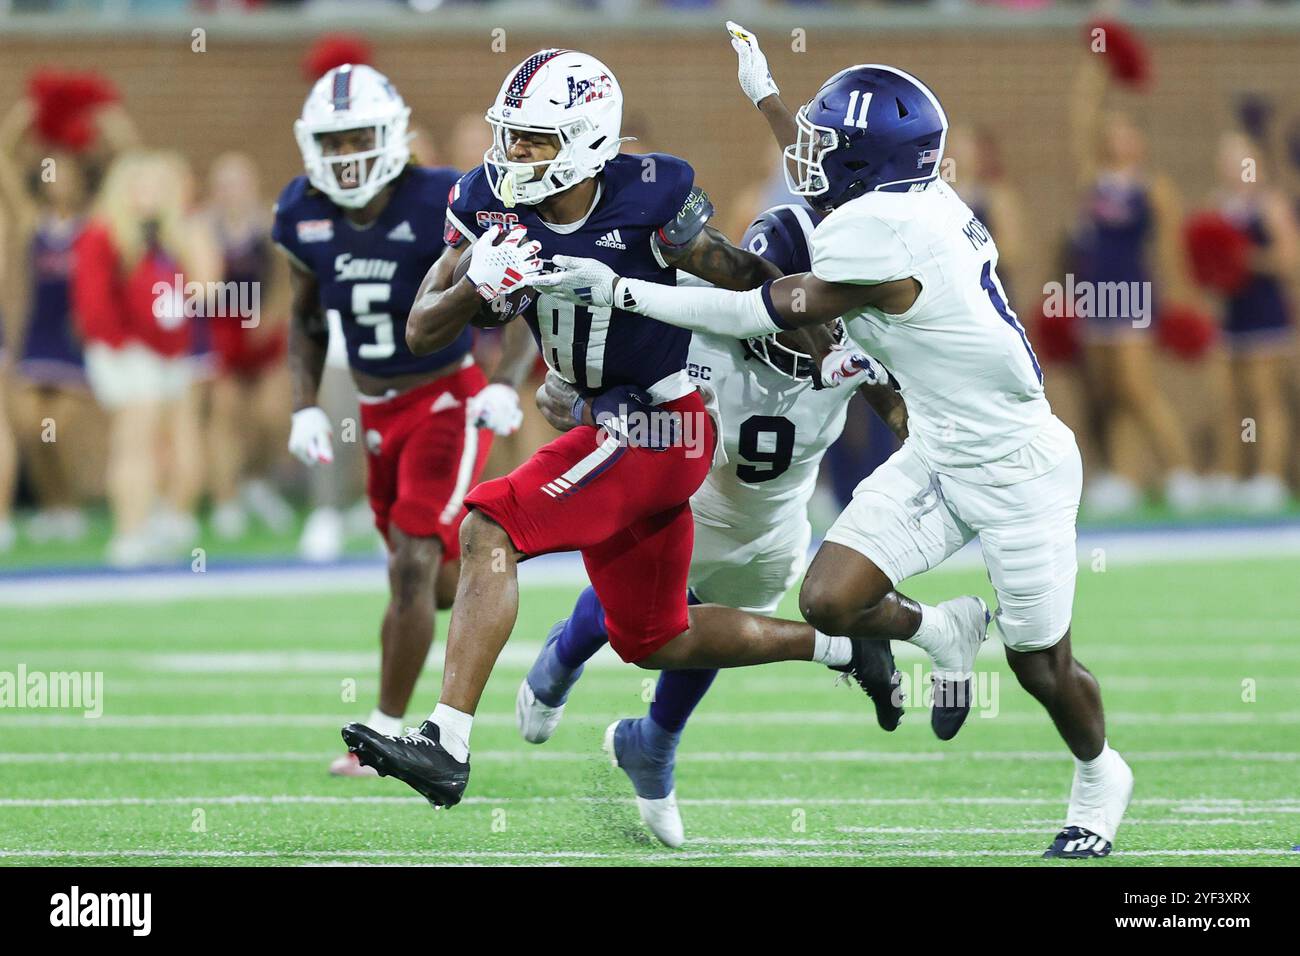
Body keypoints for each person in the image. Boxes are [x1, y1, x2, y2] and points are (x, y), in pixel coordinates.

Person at [530, 25, 1134, 859]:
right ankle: (944, 631)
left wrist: (621, 289)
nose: (806, 154)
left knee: (1042, 669)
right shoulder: (902, 203)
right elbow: (827, 186)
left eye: (826, 142)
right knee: (827, 599)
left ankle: (1101, 777)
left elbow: (753, 308)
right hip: (938, 448)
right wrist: (767, 96)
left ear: (864, 166)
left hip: (1015, 464)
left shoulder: (881, 245)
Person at [341, 49, 935, 810]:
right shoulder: (487, 201)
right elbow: (423, 329)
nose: (513, 155)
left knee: (491, 524)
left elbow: (751, 281)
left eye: (534, 140)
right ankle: (844, 647)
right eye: (511, 136)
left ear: (587, 138)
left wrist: (837, 354)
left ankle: (447, 740)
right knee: (656, 638)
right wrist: (475, 291)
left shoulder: (653, 198)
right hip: (612, 424)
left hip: (662, 426)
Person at [518, 202, 910, 847]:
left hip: (773, 523)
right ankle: (565, 651)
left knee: (715, 632)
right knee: (648, 608)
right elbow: (561, 391)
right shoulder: (688, 309)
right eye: (803, 296)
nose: (813, 315)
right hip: (679, 497)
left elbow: (910, 414)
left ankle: (652, 745)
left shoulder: (863, 340)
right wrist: (593, 401)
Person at [274, 64, 533, 776]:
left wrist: (505, 382)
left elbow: (518, 293)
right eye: (334, 141)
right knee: (427, 575)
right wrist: (301, 405)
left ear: (393, 136)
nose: (348, 155)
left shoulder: (442, 200)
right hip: (375, 409)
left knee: (413, 563)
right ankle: (494, 580)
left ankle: (384, 733)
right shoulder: (302, 208)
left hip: (446, 399)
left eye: (361, 137)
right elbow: (303, 319)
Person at [1069, 55, 1201, 515]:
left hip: (1133, 295)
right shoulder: (1095, 179)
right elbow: (1081, 122)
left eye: (1125, 130)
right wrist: (1096, 73)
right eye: (1112, 131)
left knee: (1139, 388)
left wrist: (1181, 301)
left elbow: (1170, 249)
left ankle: (1181, 472)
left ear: (1139, 140)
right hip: (1096, 296)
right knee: (1110, 391)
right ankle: (1124, 477)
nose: (1115, 137)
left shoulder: (1153, 186)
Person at [73, 150, 215, 566]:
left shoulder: (163, 237)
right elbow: (93, 305)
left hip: (163, 356)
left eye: (158, 186)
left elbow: (195, 292)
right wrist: (122, 346)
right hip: (127, 355)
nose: (151, 194)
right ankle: (128, 533)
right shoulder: (103, 233)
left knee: (159, 443)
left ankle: (151, 521)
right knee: (133, 441)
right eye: (142, 185)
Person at [201, 152, 294, 540]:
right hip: (222, 332)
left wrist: (272, 318)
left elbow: (287, 279)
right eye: (224, 185)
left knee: (271, 415)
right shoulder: (203, 227)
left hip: (261, 330)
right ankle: (226, 500)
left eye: (239, 184)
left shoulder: (269, 224)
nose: (232, 193)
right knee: (225, 415)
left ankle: (257, 481)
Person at [1206, 130, 1296, 513]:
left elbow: (1289, 258)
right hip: (1231, 313)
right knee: (1229, 399)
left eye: (1240, 159)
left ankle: (1269, 476)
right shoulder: (1217, 206)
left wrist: (1247, 259)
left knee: (1264, 397)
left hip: (1264, 311)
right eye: (1226, 160)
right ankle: (1231, 473)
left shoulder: (1269, 204)